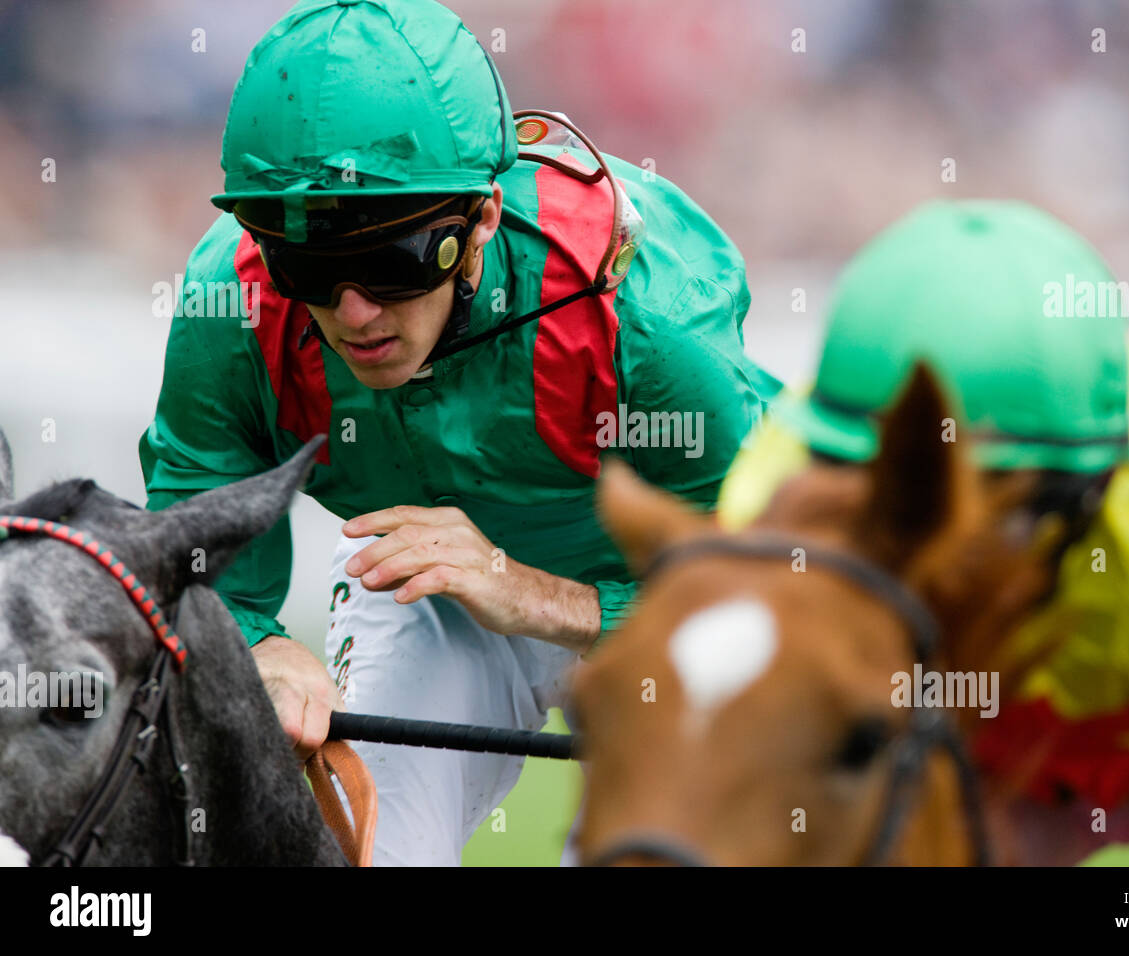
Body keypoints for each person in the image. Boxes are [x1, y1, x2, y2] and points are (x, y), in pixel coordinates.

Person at [140, 0, 765, 865]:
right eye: (310, 269)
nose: (353, 313)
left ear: (478, 226)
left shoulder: (646, 320)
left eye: (394, 262)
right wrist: (263, 648)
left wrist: (535, 593)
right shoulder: (234, 300)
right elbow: (190, 553)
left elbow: (769, 583)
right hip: (431, 588)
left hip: (661, 596)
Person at [718, 199, 1129, 865]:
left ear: (1081, 498)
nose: (931, 558)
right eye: (894, 506)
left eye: (976, 526)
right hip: (974, 748)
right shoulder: (769, 510)